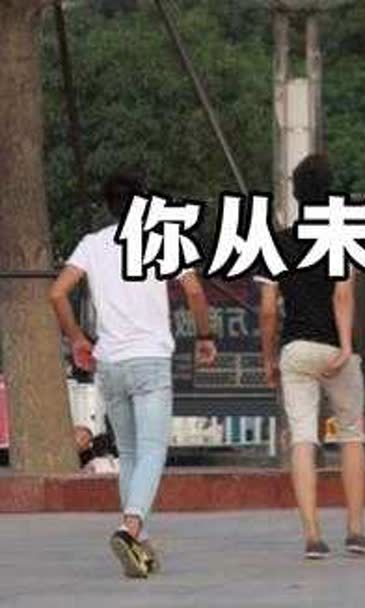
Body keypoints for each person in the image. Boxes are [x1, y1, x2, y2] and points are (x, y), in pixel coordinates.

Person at [49, 169, 218, 578]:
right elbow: (194, 290)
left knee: (128, 454)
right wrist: (204, 335)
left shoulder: (93, 244)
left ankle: (138, 544)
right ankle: (130, 528)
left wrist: (77, 337)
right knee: (153, 449)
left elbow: (57, 292)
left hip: (110, 362)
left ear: (109, 205)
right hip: (150, 360)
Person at [257, 154, 365, 560]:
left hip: (296, 349)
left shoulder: (277, 241)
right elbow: (343, 294)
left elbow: (268, 311)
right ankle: (355, 531)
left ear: (297, 194)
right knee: (352, 436)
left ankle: (312, 536)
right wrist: (345, 346)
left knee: (303, 439)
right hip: (336, 350)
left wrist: (268, 358)